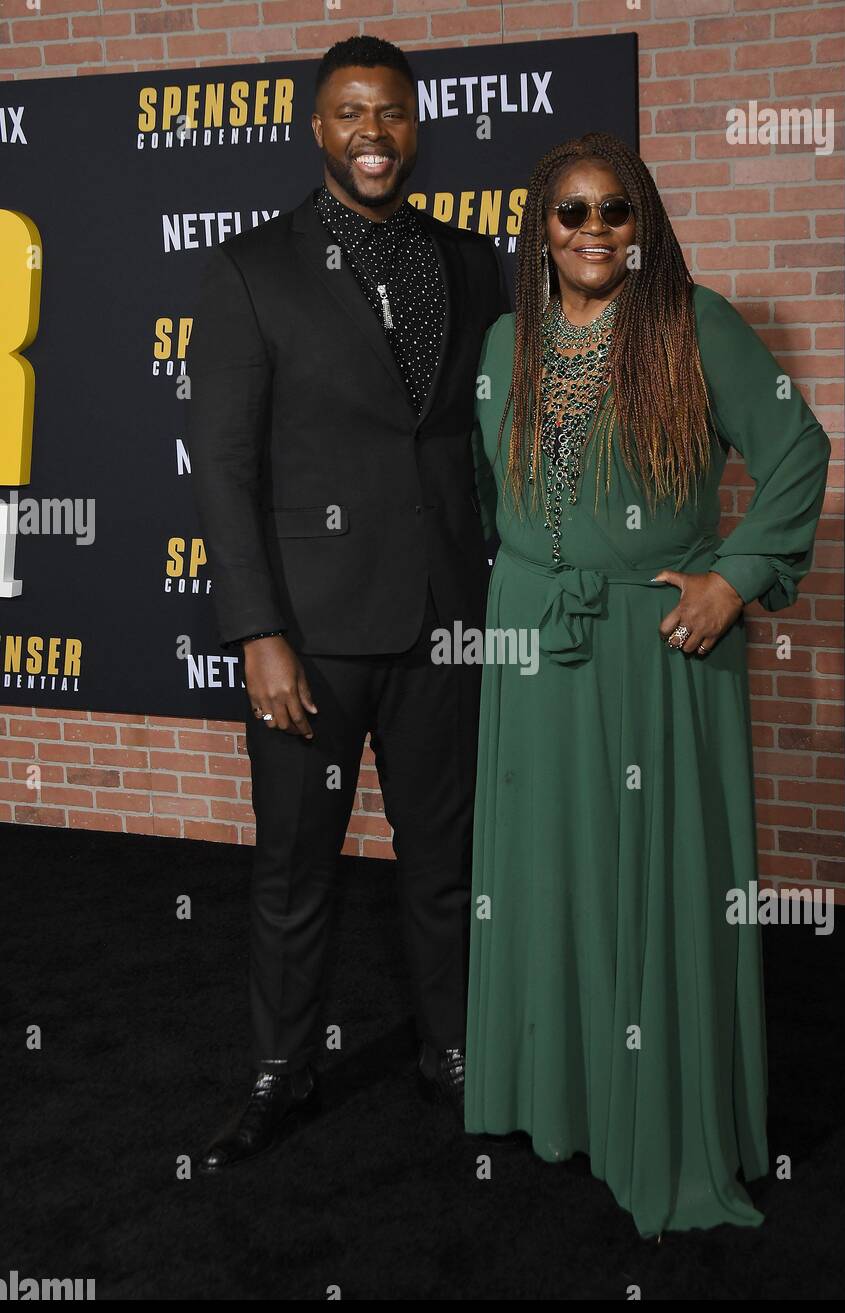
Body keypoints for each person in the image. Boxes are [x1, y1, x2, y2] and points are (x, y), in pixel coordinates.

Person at [464, 131, 831, 1238]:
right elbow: (502, 497)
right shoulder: (503, 343)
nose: (590, 232)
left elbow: (799, 450)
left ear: (644, 224)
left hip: (654, 647)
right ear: (542, 228)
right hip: (534, 642)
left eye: (612, 211)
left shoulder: (694, 324)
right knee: (549, 870)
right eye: (569, 213)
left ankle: (660, 1128)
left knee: (654, 879)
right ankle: (558, 1100)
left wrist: (734, 577)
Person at [186, 36, 508, 1171]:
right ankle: (281, 1073)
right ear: (316, 129)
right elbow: (223, 467)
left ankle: (456, 1052)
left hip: (446, 618)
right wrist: (257, 632)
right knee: (294, 865)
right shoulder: (250, 271)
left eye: (393, 112)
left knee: (447, 859)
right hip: (312, 636)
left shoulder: (477, 265)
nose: (375, 132)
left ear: (417, 128)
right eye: (350, 112)